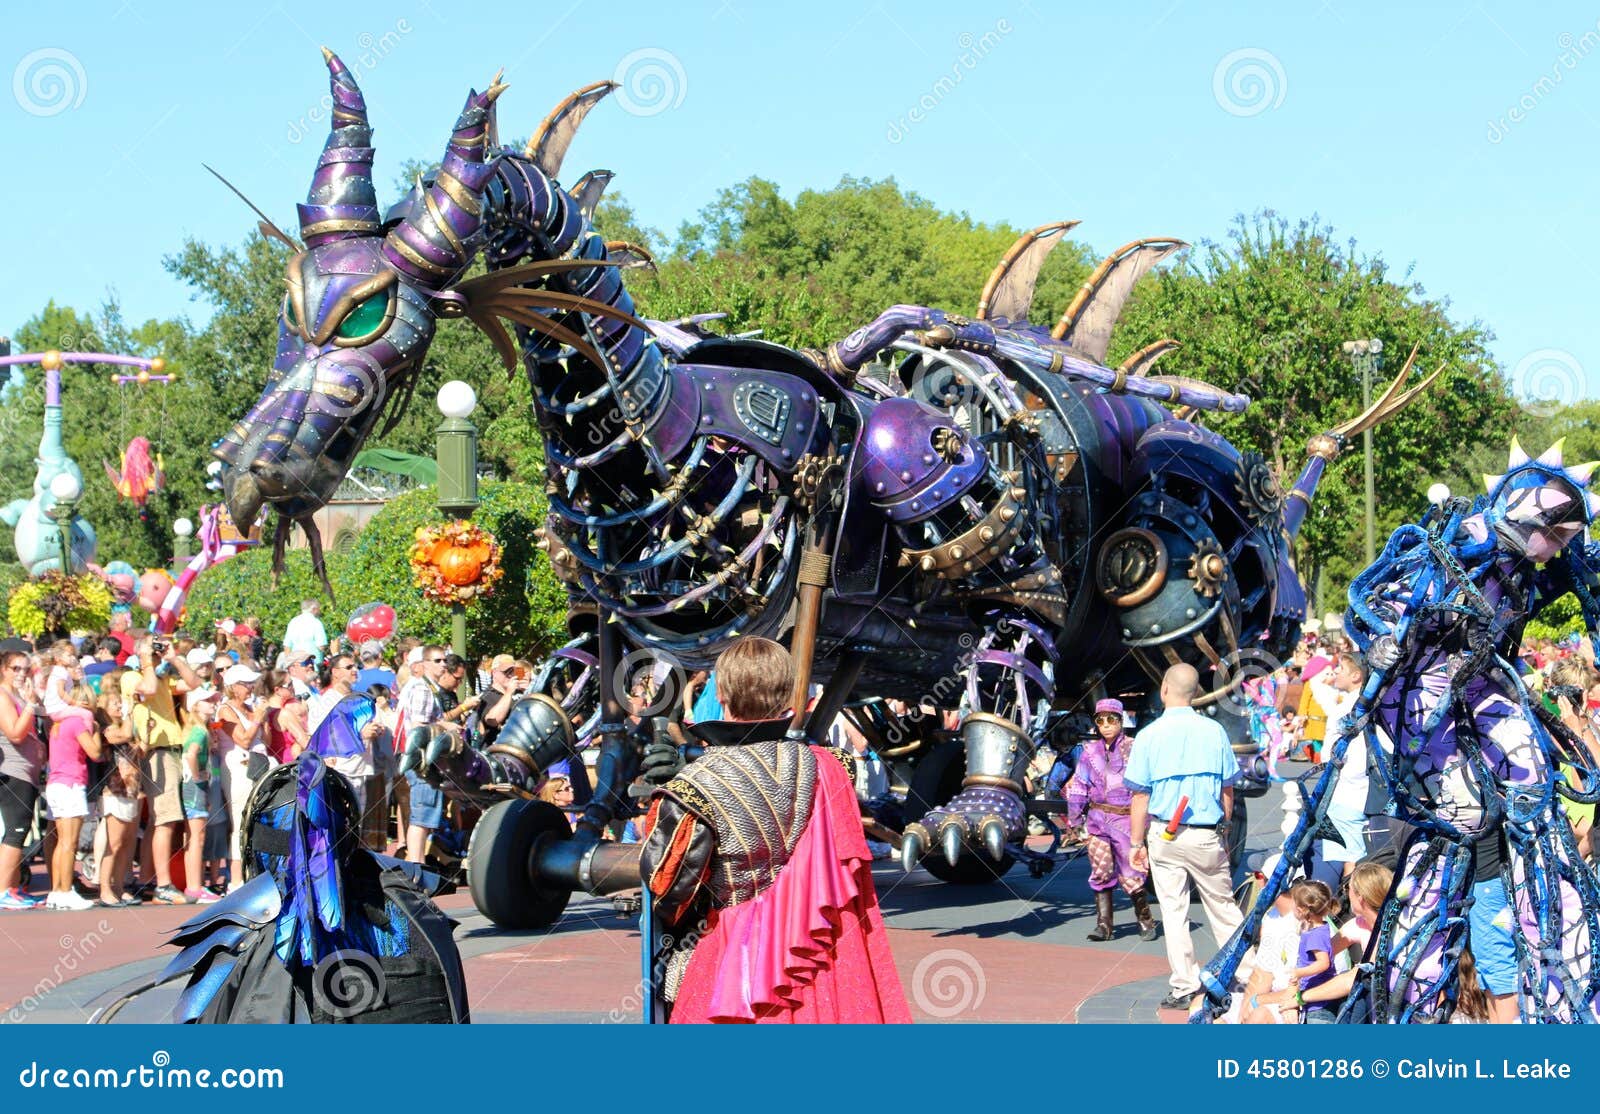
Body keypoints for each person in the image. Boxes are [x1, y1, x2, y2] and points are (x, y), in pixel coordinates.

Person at [638, 637, 910, 1023]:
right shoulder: (830, 767)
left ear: (722, 695)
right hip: (816, 950)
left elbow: (667, 884)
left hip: (731, 956)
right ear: (789, 695)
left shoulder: (697, 783)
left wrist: (665, 799)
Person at [1127, 662, 1245, 1011]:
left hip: (1165, 834)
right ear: (1195, 693)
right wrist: (1224, 830)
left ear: (1164, 689)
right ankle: (1245, 974)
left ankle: (1184, 985)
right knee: (1223, 907)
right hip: (1206, 833)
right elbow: (1227, 790)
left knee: (1174, 910)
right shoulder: (1214, 732)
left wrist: (1135, 843)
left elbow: (1140, 796)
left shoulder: (1148, 735)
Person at [1064, 698, 1156, 941]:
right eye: (1100, 720)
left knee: (1132, 871)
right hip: (1097, 820)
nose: (1105, 725)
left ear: (1120, 720)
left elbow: (1147, 785)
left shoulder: (1135, 748)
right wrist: (1075, 819)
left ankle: (1145, 919)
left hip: (1126, 821)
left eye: (1111, 719)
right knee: (1101, 870)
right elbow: (1079, 786)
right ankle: (1104, 925)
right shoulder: (1089, 752)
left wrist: (1149, 818)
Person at [123, 635, 205, 904]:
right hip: (156, 751)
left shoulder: (161, 677)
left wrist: (174, 658)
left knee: (160, 820)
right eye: (153, 647)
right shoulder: (132, 676)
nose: (157, 651)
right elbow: (146, 688)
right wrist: (146, 659)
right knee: (166, 819)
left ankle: (149, 879)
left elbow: (194, 683)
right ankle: (163, 885)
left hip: (170, 749)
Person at [1244, 879, 1337, 1023]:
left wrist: (1300, 973)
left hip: (1317, 1005)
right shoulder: (1312, 928)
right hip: (1305, 995)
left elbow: (1324, 963)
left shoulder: (1316, 935)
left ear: (1301, 910)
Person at [45, 682, 102, 910]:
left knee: (62, 842)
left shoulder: (58, 723)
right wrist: (96, 731)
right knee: (70, 843)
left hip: (56, 783)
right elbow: (95, 752)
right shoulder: (77, 722)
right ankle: (66, 891)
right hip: (71, 783)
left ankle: (57, 891)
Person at [214, 663, 271, 890]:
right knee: (241, 821)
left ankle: (254, 875)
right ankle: (236, 881)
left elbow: (265, 740)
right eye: (246, 683)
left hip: (259, 766)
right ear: (233, 686)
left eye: (251, 683)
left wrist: (263, 719)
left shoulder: (251, 708)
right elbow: (244, 740)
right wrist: (257, 718)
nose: (251, 687)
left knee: (258, 822)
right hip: (238, 769)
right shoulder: (226, 710)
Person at [398, 646, 453, 864]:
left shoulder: (429, 687)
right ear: (424, 664)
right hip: (421, 762)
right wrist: (445, 727)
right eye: (437, 660)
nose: (443, 664)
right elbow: (418, 728)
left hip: (425, 761)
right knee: (421, 817)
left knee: (424, 816)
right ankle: (416, 866)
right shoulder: (423, 689)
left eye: (444, 660)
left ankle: (418, 865)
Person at [0, 650, 45, 909]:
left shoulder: (18, 695)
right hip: (13, 772)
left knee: (20, 831)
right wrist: (29, 704)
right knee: (15, 832)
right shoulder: (3, 696)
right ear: (4, 669)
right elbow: (15, 733)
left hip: (27, 773)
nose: (21, 674)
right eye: (15, 668)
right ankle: (3, 891)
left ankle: (13, 888)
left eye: (25, 669)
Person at [95, 682, 141, 907]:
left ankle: (119, 887)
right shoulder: (107, 730)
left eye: (120, 703)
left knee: (125, 843)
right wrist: (130, 713)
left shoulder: (124, 728)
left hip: (130, 790)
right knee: (113, 843)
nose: (119, 707)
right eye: (114, 703)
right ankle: (105, 889)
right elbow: (123, 735)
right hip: (114, 790)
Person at [180, 687, 221, 905]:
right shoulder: (199, 731)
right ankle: (195, 887)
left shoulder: (200, 729)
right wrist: (197, 777)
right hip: (194, 789)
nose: (212, 704)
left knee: (193, 836)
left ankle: (193, 885)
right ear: (195, 706)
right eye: (207, 701)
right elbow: (191, 754)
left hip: (193, 787)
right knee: (197, 836)